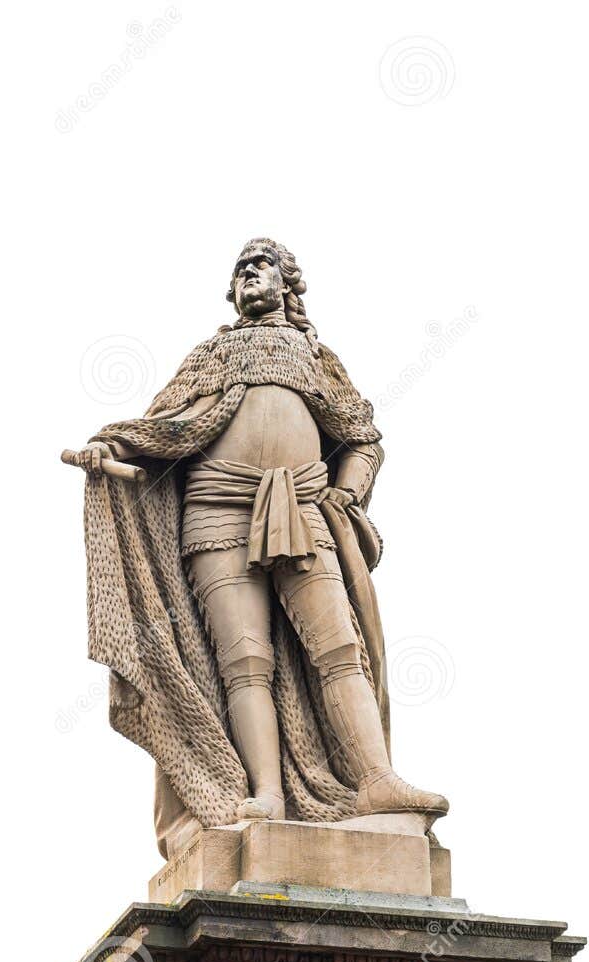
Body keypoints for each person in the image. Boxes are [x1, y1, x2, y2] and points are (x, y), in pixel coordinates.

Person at [63, 238, 448, 856]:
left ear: (288, 283)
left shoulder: (317, 358)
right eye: (239, 266)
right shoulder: (212, 353)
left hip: (302, 508)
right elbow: (166, 426)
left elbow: (362, 439)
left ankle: (376, 781)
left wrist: (347, 495)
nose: (247, 272)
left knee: (339, 646)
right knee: (244, 662)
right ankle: (264, 791)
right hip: (217, 512)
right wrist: (114, 446)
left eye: (260, 263)